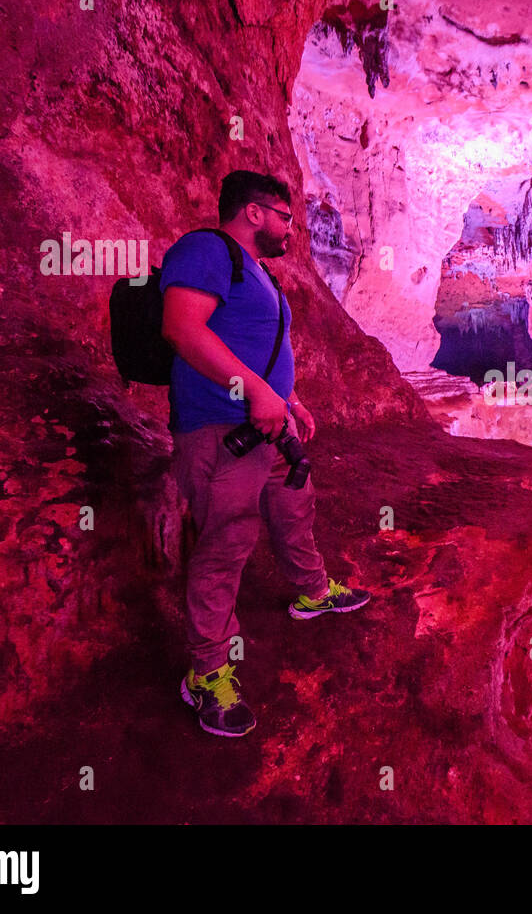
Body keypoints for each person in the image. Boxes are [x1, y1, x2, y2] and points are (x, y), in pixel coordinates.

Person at [160, 169, 371, 737]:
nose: (290, 230)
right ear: (253, 212)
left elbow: (258, 346)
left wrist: (289, 398)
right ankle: (206, 672)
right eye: (285, 217)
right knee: (226, 539)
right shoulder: (206, 249)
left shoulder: (258, 275)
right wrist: (256, 394)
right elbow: (182, 328)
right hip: (220, 428)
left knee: (294, 502)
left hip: (267, 423)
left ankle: (311, 590)